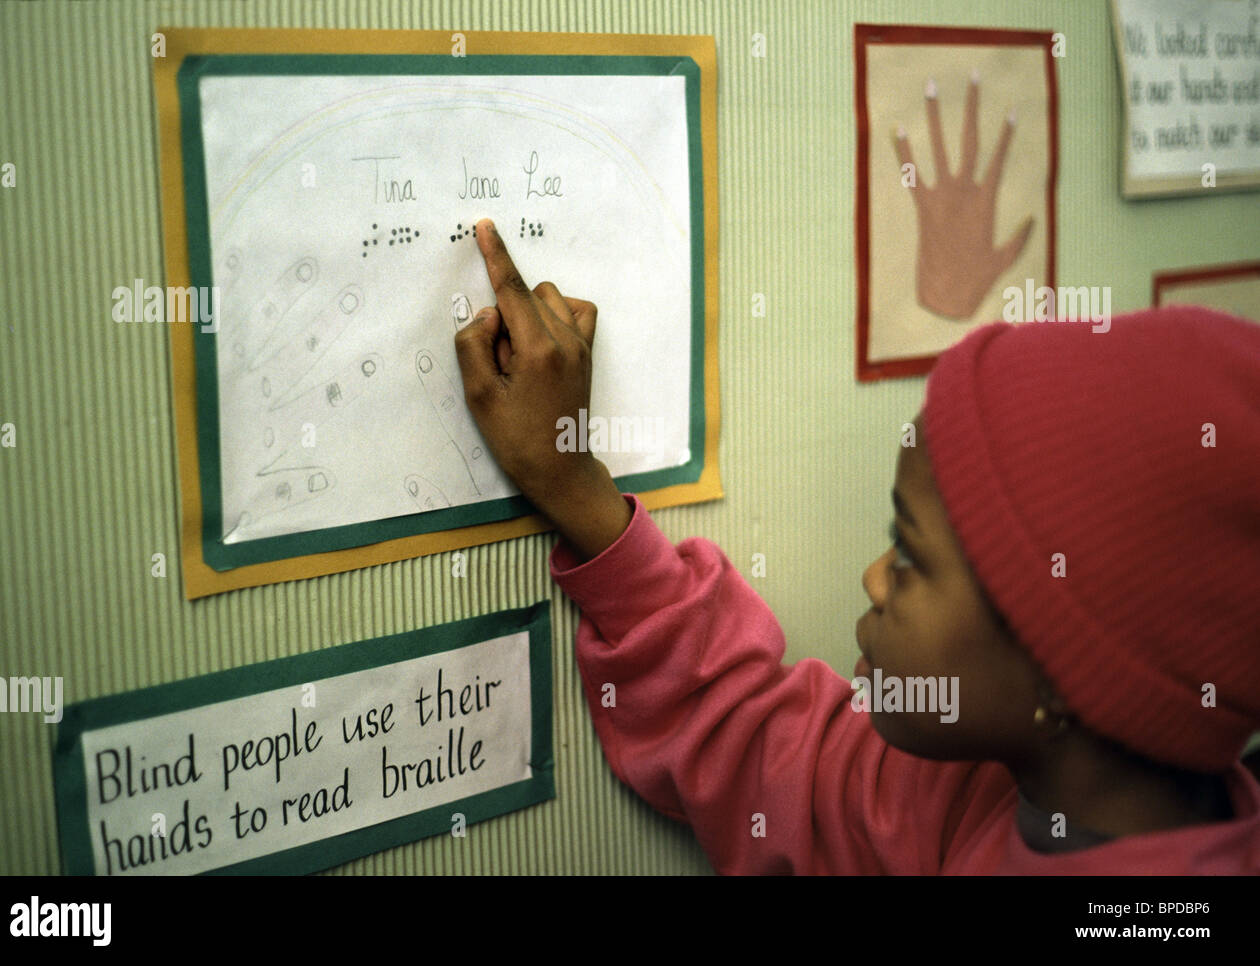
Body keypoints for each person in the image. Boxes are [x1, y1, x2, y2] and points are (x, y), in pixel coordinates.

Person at [453, 218, 1260, 873]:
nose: (875, 578)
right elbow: (767, 757)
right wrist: (573, 485)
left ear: (1063, 670)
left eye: (910, 556)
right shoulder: (977, 798)